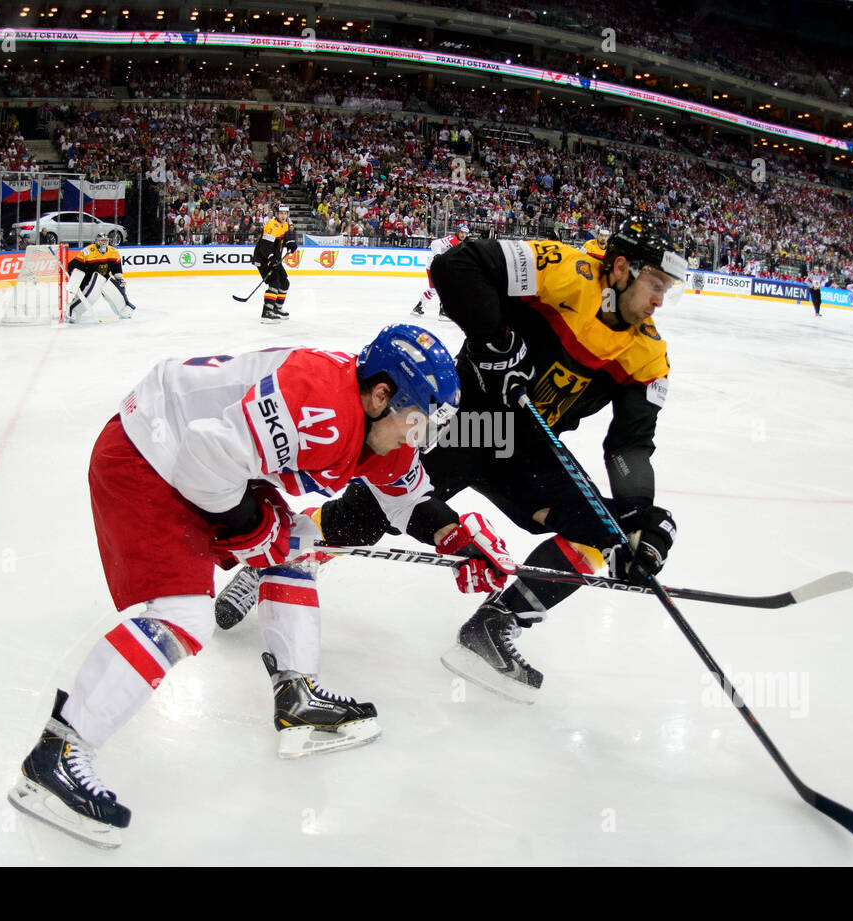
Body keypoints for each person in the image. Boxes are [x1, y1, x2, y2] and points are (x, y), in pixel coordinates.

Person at [9, 325, 516, 847]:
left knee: (294, 542)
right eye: (417, 424)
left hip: (197, 458)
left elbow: (405, 499)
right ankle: (57, 755)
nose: (419, 439)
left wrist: (455, 537)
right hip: (149, 453)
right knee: (183, 616)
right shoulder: (320, 402)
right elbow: (203, 457)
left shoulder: (378, 424)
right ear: (382, 394)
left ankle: (296, 697)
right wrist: (253, 529)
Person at [222, 216, 684, 703]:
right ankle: (272, 558)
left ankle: (493, 626)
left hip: (528, 447)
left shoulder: (647, 354)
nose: (659, 301)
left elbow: (631, 446)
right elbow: (455, 265)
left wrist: (636, 514)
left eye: (666, 290)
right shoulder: (565, 270)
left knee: (610, 531)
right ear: (619, 268)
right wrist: (497, 342)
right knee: (369, 514)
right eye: (656, 284)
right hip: (462, 420)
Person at [66, 233, 134, 322]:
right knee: (90, 296)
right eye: (102, 241)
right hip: (89, 278)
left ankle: (123, 309)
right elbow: (75, 264)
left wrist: (119, 278)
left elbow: (116, 268)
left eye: (106, 241)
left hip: (104, 277)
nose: (104, 243)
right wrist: (75, 276)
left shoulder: (113, 251)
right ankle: (73, 311)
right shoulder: (88, 250)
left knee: (116, 290)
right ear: (97, 241)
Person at [411, 222, 470, 317]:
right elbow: (434, 243)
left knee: (433, 289)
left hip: (437, 268)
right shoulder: (453, 239)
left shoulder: (460, 243)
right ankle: (443, 312)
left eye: (465, 233)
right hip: (436, 268)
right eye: (462, 232)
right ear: (457, 232)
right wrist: (437, 256)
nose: (463, 235)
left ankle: (418, 308)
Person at [254, 203, 298, 324]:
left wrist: (290, 244)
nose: (284, 216)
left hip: (274, 258)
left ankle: (277, 308)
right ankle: (267, 312)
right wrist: (271, 258)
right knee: (274, 282)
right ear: (276, 214)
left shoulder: (285, 224)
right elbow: (264, 248)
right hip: (263, 259)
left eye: (285, 213)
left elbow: (284, 240)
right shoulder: (271, 226)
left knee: (284, 283)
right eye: (281, 213)